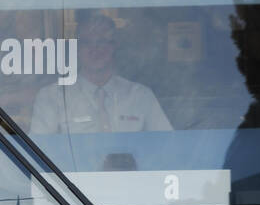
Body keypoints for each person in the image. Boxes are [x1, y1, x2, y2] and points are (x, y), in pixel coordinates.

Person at [30, 12, 171, 134]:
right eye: (87, 42)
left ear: (114, 46)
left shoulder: (141, 96)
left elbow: (167, 145)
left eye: (102, 41)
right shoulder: (52, 97)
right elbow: (39, 150)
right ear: (77, 48)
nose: (95, 49)